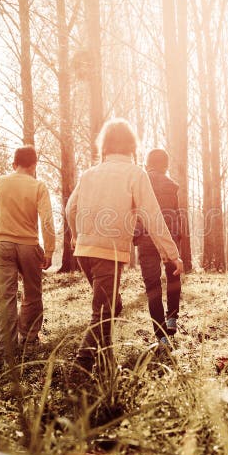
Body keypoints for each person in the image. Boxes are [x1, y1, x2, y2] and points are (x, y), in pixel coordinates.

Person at [66, 119, 184, 372]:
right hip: (109, 253)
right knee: (102, 312)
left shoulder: (89, 173)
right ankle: (82, 363)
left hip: (84, 251)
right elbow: (153, 217)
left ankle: (107, 363)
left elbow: (70, 208)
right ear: (132, 145)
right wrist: (172, 254)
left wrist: (76, 236)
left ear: (105, 145)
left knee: (112, 306)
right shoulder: (135, 173)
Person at [0, 146, 55, 364]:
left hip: (2, 243)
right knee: (32, 292)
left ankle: (4, 348)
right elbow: (46, 221)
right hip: (28, 245)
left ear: (14, 164)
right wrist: (50, 250)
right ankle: (28, 338)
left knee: (4, 297)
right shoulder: (38, 186)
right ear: (34, 165)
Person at [134, 148, 183, 348]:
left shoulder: (141, 182)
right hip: (169, 237)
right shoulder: (172, 186)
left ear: (147, 164)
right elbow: (177, 214)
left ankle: (161, 335)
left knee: (152, 286)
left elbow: (135, 210)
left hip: (146, 238)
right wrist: (177, 238)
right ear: (166, 166)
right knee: (173, 276)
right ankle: (172, 318)